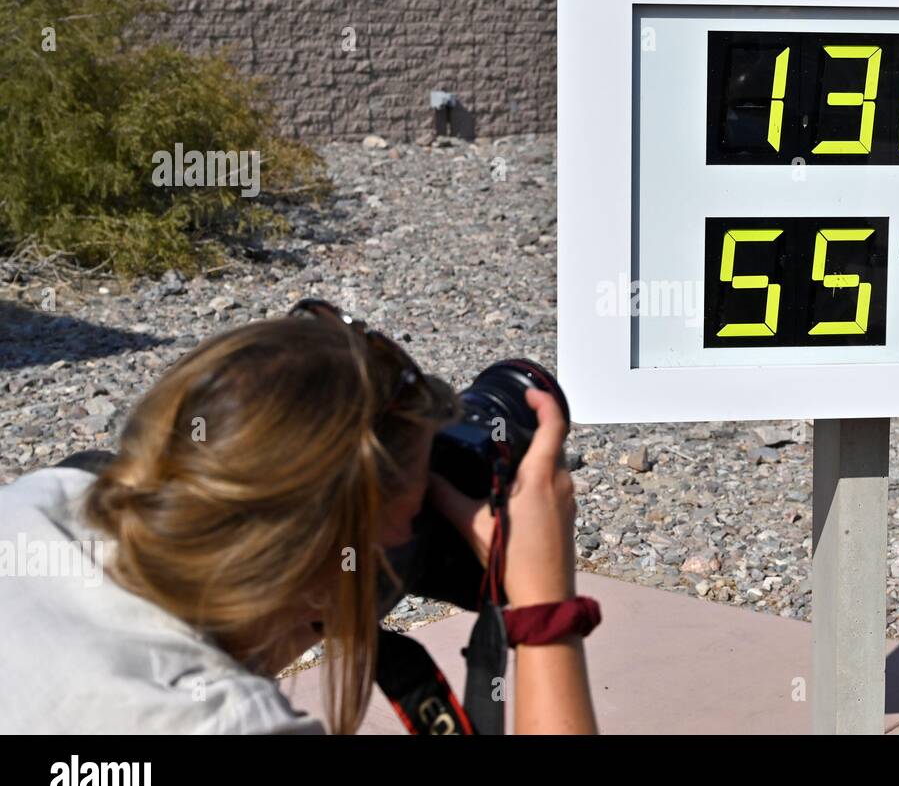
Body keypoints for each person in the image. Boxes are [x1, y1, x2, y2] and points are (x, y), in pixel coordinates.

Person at [0, 301, 597, 734]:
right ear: (319, 562)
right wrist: (545, 607)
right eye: (420, 507)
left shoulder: (44, 500)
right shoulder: (220, 721)